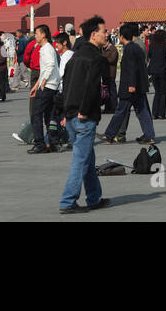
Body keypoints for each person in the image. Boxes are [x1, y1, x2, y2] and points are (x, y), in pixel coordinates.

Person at [58, 16, 111, 214]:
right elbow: (91, 88)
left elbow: (66, 84)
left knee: (87, 158)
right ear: (93, 34)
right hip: (83, 116)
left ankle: (94, 197)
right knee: (80, 161)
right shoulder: (95, 58)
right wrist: (84, 111)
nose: (106, 34)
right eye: (104, 31)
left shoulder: (75, 57)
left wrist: (64, 111)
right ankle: (68, 201)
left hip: (71, 115)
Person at [103, 23, 156, 145]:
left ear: (121, 36)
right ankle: (149, 135)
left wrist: (131, 85)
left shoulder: (129, 49)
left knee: (121, 111)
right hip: (139, 86)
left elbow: (131, 68)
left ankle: (109, 135)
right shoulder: (136, 47)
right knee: (142, 112)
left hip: (130, 87)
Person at [28, 25, 61, 153]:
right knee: (49, 115)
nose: (35, 36)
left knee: (36, 114)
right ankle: (53, 142)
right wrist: (36, 85)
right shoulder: (48, 48)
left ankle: (39, 143)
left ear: (43, 35)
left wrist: (44, 81)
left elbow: (50, 65)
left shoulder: (46, 48)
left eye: (36, 33)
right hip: (51, 86)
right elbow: (44, 69)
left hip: (47, 86)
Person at [147, 29, 166, 120]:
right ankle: (162, 114)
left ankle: (154, 113)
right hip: (163, 71)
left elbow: (149, 55)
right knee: (163, 93)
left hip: (154, 71)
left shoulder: (152, 45)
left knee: (157, 92)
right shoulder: (165, 46)